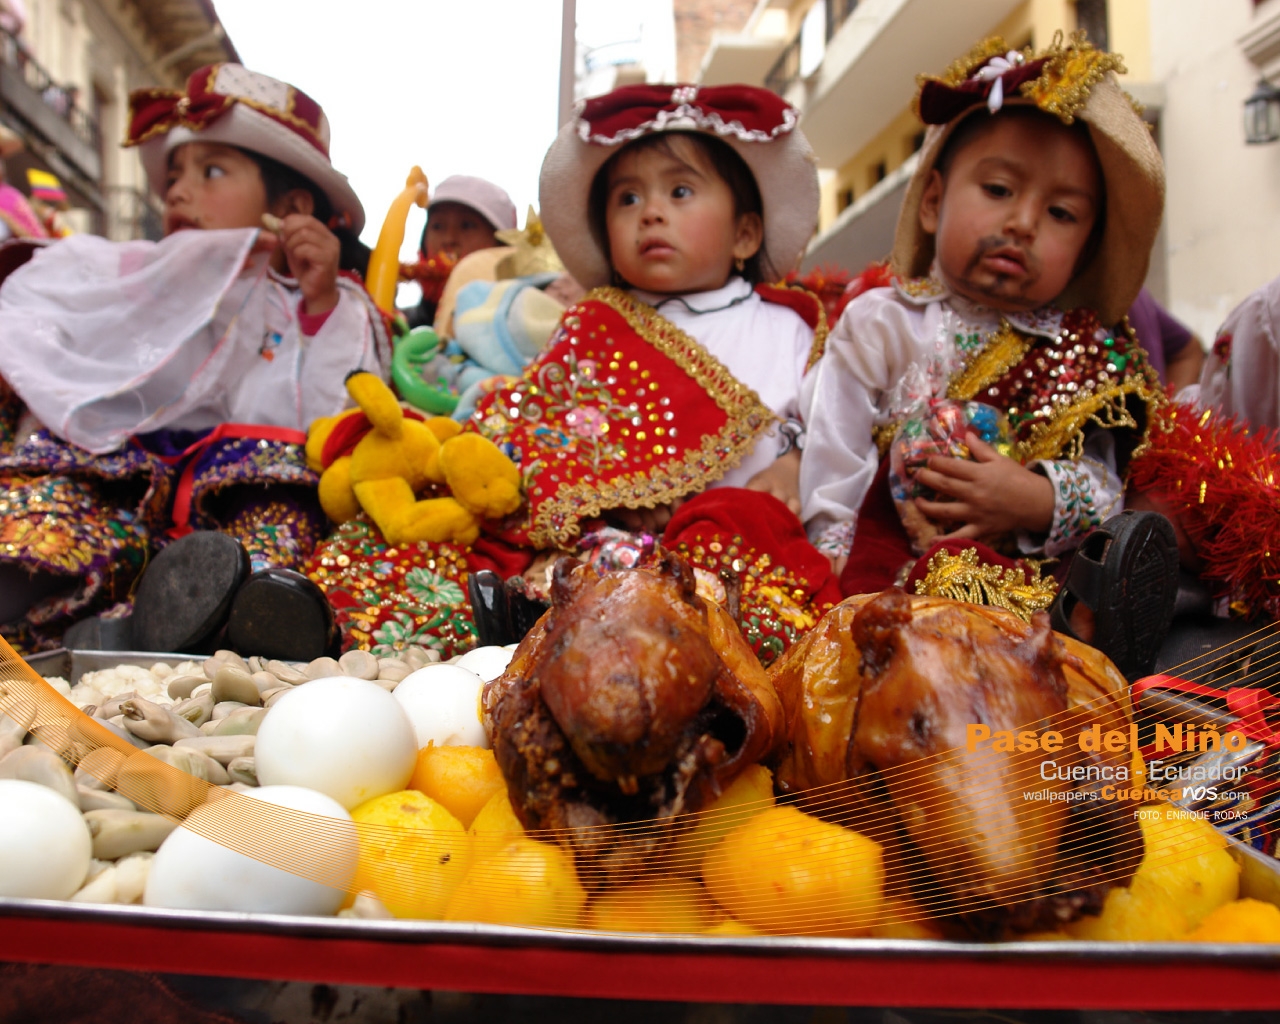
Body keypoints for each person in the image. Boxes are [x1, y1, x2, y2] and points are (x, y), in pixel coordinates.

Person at [308, 83, 840, 664]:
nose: (651, 212)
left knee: (740, 540)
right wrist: (608, 490)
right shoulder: (596, 322)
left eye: (680, 191)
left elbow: (827, 428)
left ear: (745, 234)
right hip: (604, 538)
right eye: (628, 198)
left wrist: (792, 465)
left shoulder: (789, 326)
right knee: (442, 543)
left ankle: (659, 642)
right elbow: (537, 428)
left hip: (725, 544)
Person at [799, 34, 1178, 678]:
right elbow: (836, 445)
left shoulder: (1083, 352)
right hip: (879, 563)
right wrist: (831, 550)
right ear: (932, 202)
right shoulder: (882, 321)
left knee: (1031, 607)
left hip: (1019, 576)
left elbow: (1106, 485)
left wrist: (1034, 501)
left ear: (1085, 249)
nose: (1024, 222)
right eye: (999, 189)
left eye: (1060, 213)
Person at [0, 63, 389, 652]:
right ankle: (95, 613)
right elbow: (64, 355)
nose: (178, 192)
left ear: (292, 206)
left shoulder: (320, 299)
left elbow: (336, 426)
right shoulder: (139, 278)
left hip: (247, 495)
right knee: (44, 516)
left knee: (272, 543)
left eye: (211, 171)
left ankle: (210, 622)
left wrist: (320, 307)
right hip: (126, 484)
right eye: (175, 175)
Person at [402, 175, 518, 329]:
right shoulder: (396, 327)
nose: (449, 239)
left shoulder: (525, 322)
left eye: (467, 225)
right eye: (438, 226)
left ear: (502, 245)